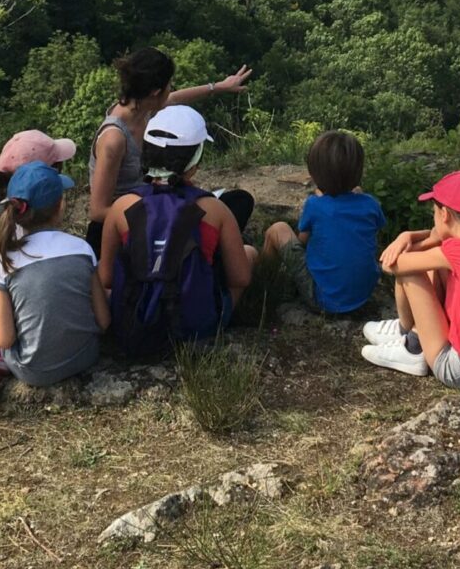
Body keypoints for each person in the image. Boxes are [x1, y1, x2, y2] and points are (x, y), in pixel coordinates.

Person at [0, 161, 108, 407]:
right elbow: (103, 321)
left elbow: (5, 339)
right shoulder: (81, 249)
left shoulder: (3, 259)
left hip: (32, 369)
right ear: (60, 207)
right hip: (86, 357)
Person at [99, 105, 254, 347]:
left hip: (136, 325)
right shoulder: (214, 209)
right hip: (196, 329)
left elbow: (106, 279)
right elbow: (241, 278)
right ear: (193, 163)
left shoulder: (121, 207)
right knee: (250, 254)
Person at [360, 171, 460, 389]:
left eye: (434, 211)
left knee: (410, 271)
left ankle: (411, 344)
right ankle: (413, 336)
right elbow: (438, 239)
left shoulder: (458, 252)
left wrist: (405, 239)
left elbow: (392, 264)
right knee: (433, 255)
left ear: (444, 214)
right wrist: (410, 236)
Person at [84, 48, 252, 251]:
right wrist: (160, 214)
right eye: (168, 84)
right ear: (155, 92)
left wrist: (218, 87)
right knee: (214, 217)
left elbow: (174, 98)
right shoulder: (114, 139)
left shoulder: (141, 108)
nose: (171, 89)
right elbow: (98, 211)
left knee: (239, 201)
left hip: (156, 204)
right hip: (124, 224)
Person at [261, 130, 385, 314]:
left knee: (277, 229)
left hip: (323, 300)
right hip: (362, 295)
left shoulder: (315, 205)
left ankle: (263, 283)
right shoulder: (370, 204)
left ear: (314, 173)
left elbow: (302, 241)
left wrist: (322, 201)